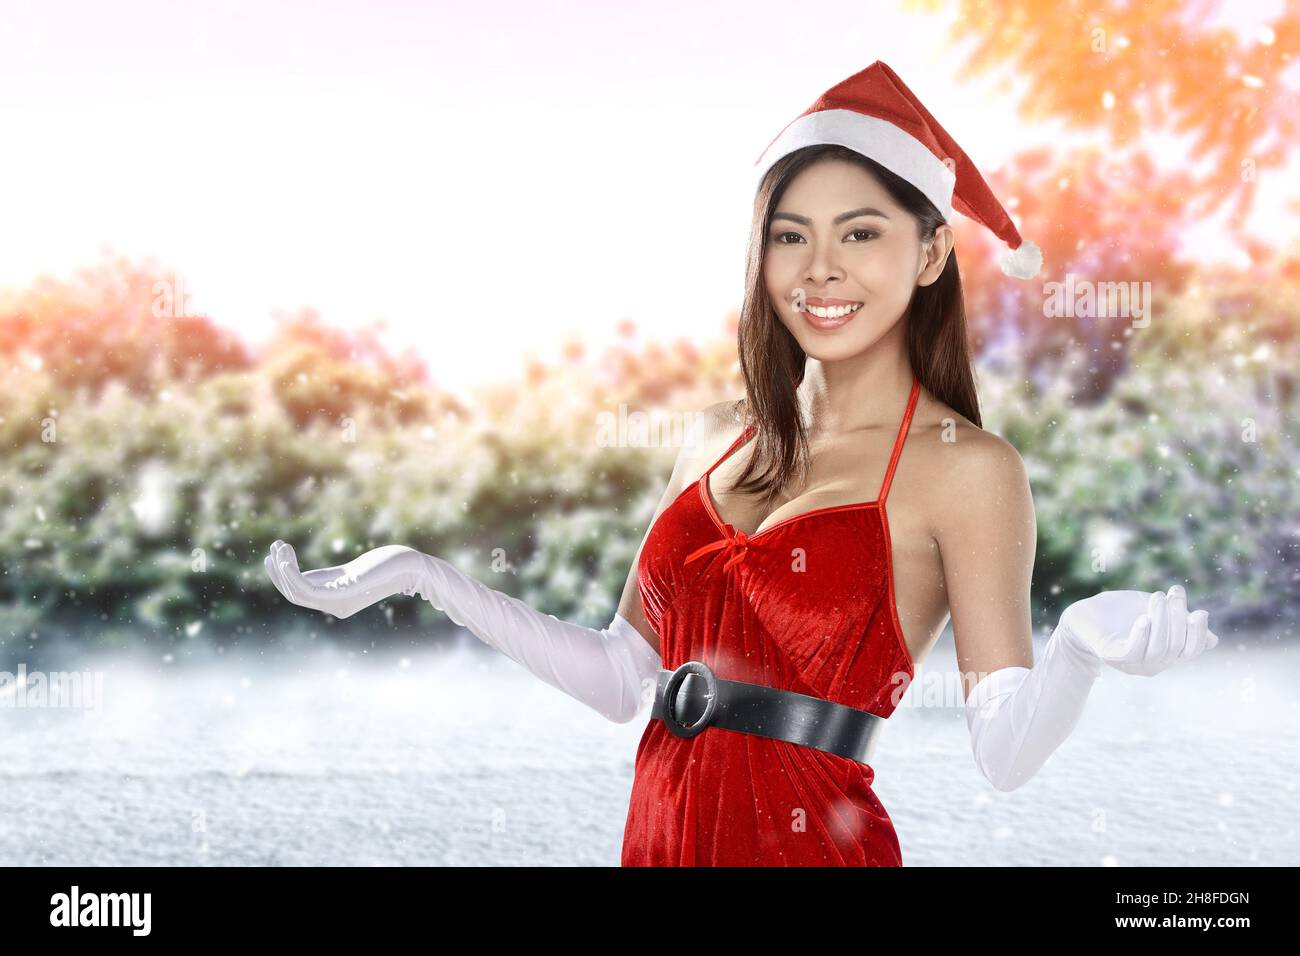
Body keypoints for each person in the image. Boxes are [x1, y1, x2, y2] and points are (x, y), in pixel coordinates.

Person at [263, 61, 1218, 866]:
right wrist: (420, 575)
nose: (820, 270)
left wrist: (1081, 648)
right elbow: (621, 678)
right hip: (656, 838)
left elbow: (1004, 753)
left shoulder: (967, 470)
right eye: (789, 236)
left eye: (861, 234)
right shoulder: (712, 435)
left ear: (930, 254)